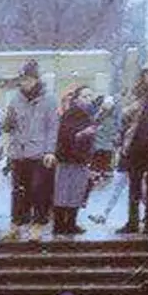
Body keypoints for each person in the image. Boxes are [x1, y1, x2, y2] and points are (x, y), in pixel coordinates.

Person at [1, 60, 57, 241]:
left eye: (27, 79)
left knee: (39, 189)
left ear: (35, 79)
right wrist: (7, 121)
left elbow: (52, 127)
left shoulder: (49, 99)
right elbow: (8, 126)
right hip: (18, 151)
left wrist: (50, 151)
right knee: (18, 190)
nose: (24, 83)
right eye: (21, 79)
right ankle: (16, 225)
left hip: (40, 151)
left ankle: (38, 225)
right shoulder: (15, 98)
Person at [117, 67, 148, 237]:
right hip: (135, 146)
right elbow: (124, 115)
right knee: (134, 186)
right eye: (146, 75)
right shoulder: (137, 95)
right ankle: (132, 222)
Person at [52, 87, 97, 235]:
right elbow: (65, 135)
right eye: (85, 96)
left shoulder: (88, 114)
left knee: (76, 192)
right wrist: (83, 133)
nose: (88, 99)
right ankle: (59, 225)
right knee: (63, 192)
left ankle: (71, 223)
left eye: (90, 96)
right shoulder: (71, 114)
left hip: (81, 159)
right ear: (77, 99)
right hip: (68, 159)